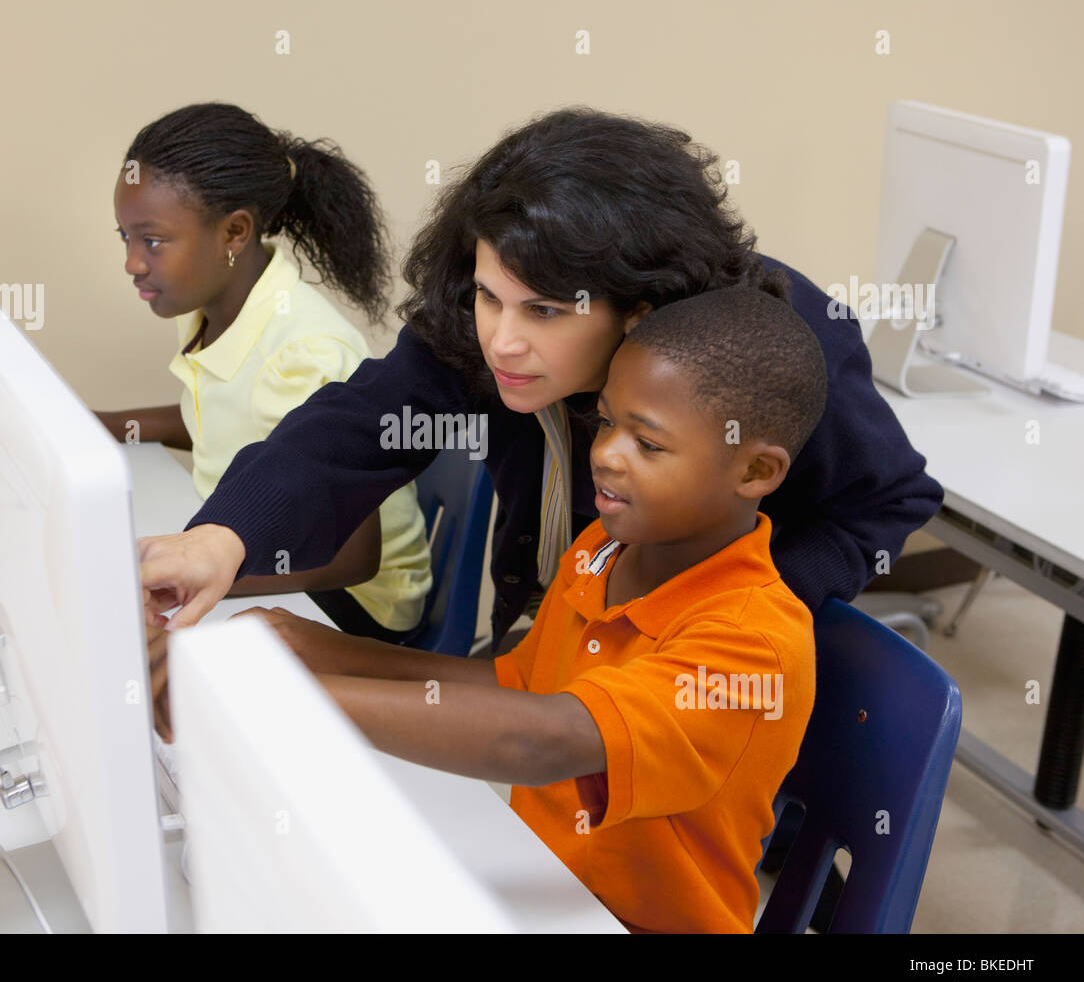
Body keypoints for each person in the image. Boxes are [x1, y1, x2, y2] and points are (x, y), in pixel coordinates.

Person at [135, 107, 943, 648]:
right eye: (489, 296)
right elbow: (359, 423)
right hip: (558, 627)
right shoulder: (484, 323)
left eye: (545, 312)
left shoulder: (774, 348)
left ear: (639, 310)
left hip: (697, 658)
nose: (501, 342)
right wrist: (224, 536)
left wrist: (733, 612)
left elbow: (887, 500)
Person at [222, 286, 826, 933]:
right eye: (605, 422)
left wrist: (288, 698)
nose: (604, 454)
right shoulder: (606, 546)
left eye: (648, 445)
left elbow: (547, 737)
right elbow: (516, 684)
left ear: (756, 470)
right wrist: (309, 648)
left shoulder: (753, 641)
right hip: (539, 886)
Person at [97, 102, 430, 642]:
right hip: (261, 541)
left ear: (234, 232)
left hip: (350, 602)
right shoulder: (211, 308)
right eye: (125, 238)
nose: (133, 262)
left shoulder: (303, 352)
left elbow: (355, 558)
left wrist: (208, 570)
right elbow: (235, 421)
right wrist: (111, 425)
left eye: (152, 240)